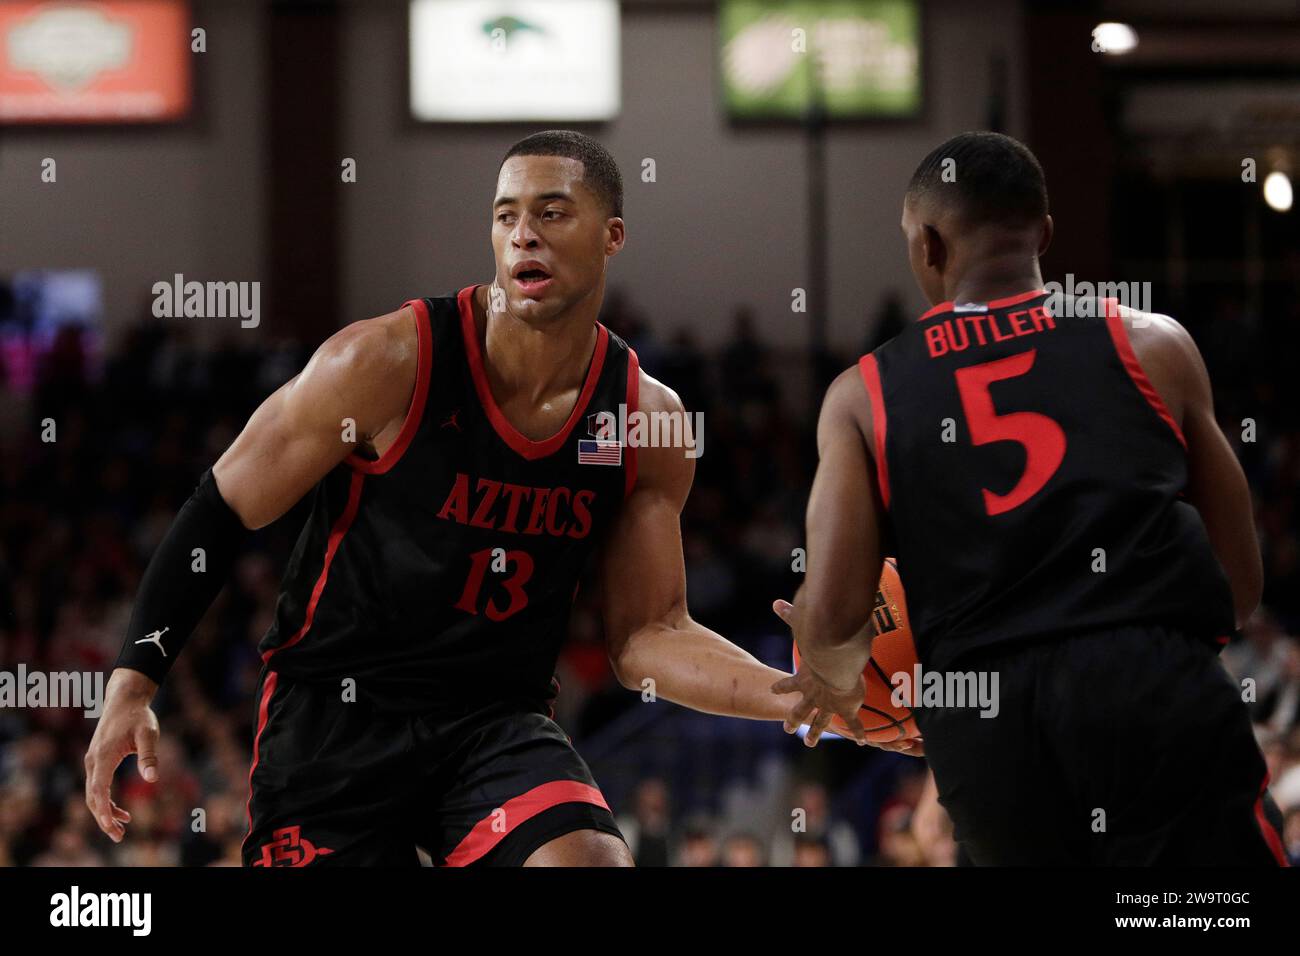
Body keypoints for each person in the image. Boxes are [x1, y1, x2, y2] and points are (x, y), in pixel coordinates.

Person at [85, 130, 798, 867]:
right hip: (337, 717)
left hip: (493, 723)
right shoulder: (387, 360)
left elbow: (649, 635)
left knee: (586, 861)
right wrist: (132, 685)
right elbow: (222, 507)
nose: (524, 234)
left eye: (553, 213)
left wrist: (794, 696)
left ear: (612, 235)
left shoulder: (643, 420)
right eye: (506, 215)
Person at [773, 131, 1289, 866]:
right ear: (1044, 232)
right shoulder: (1151, 342)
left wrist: (829, 674)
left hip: (988, 720)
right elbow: (1241, 584)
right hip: (1149, 686)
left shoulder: (863, 395)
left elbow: (832, 614)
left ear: (926, 243)